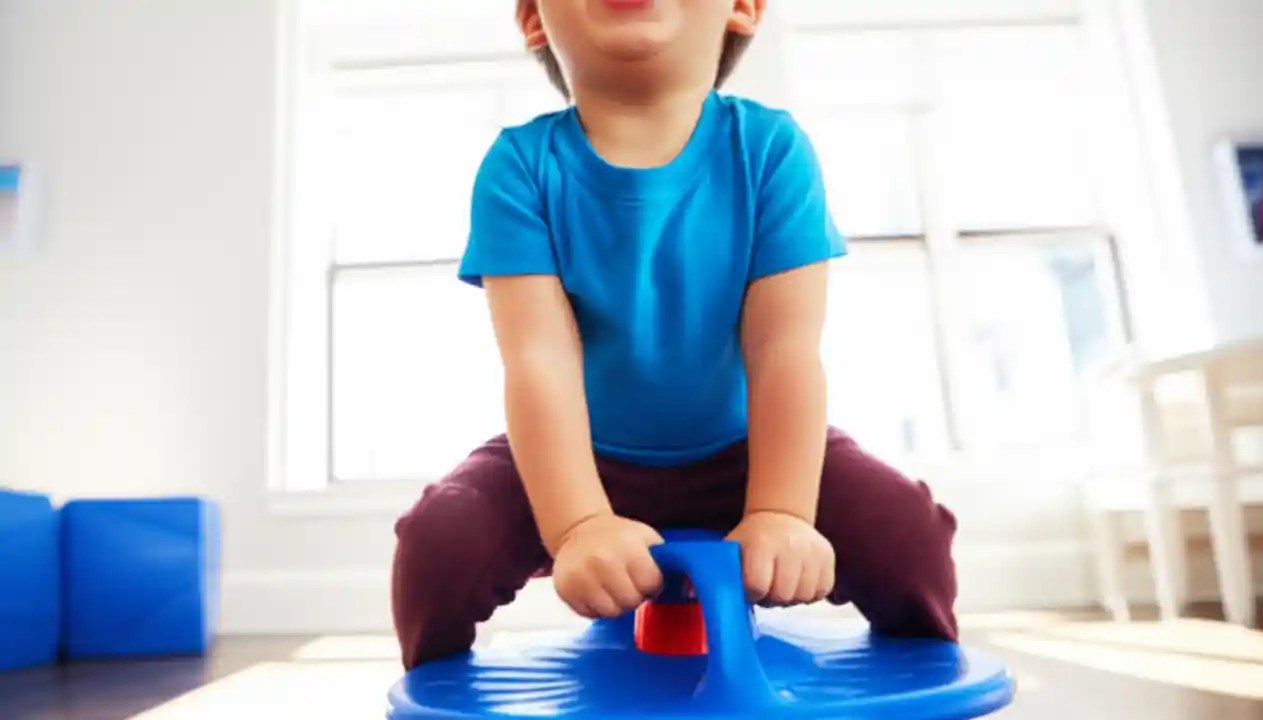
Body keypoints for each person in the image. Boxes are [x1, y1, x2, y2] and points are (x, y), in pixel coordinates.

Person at [391, 0, 958, 671]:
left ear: (743, 7)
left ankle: (928, 686)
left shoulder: (771, 149)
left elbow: (784, 352)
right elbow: (538, 358)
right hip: (578, 454)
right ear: (534, 18)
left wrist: (782, 510)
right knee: (438, 544)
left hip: (749, 448)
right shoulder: (519, 165)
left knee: (907, 534)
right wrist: (578, 525)